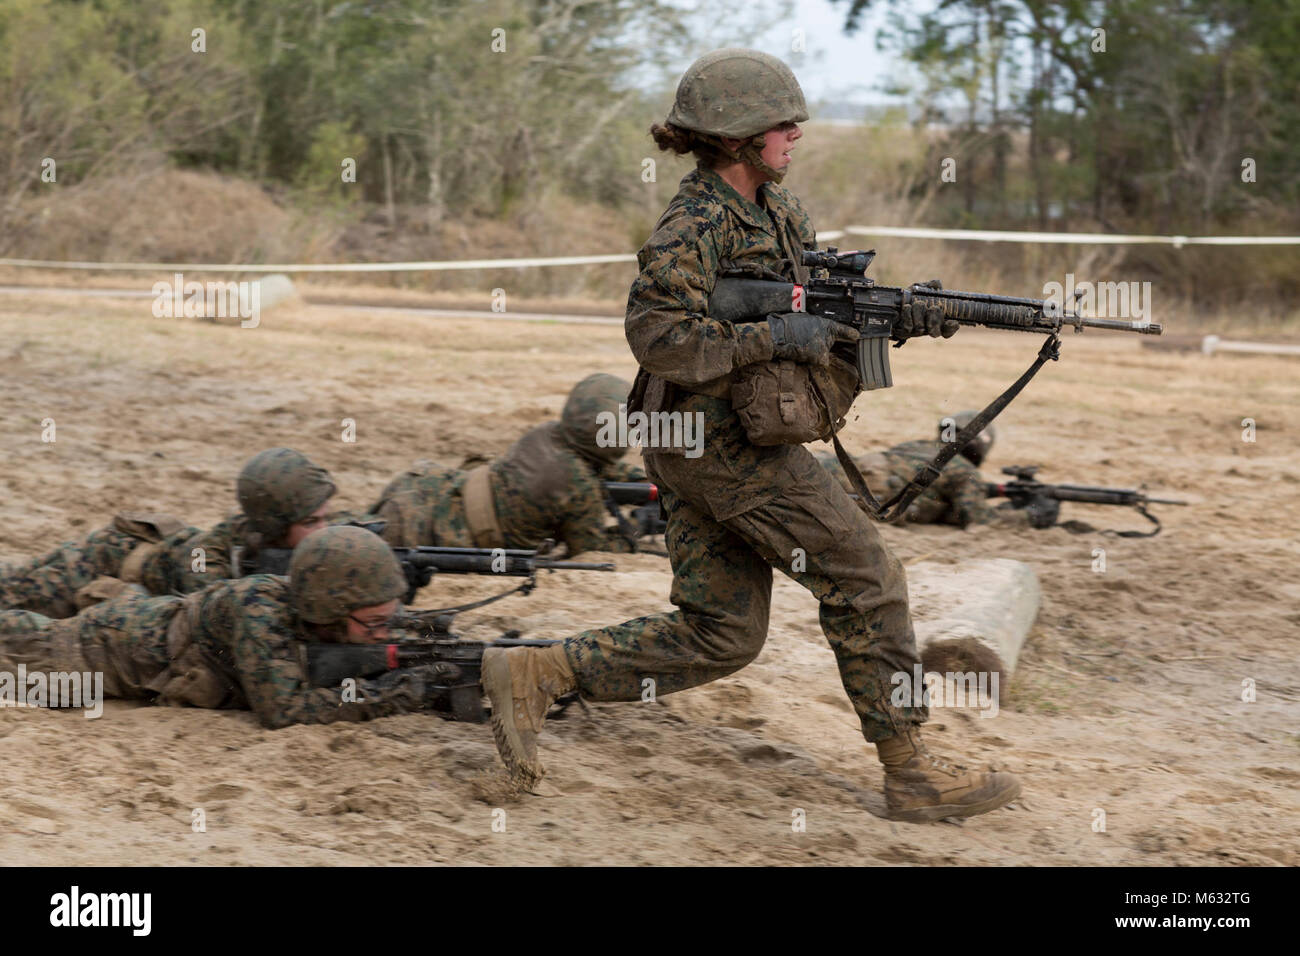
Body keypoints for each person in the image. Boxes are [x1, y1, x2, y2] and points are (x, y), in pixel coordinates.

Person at [479, 49, 1020, 822]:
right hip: (716, 443)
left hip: (713, 444)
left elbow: (815, 308)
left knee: (723, 631)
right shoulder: (693, 223)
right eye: (781, 123)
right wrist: (773, 339)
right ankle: (912, 774)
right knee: (868, 579)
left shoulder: (777, 211)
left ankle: (540, 673)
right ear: (738, 137)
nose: (796, 133)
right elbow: (658, 335)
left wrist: (897, 320)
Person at [0, 526, 452, 728]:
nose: (386, 632)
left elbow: (381, 646)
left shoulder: (326, 613)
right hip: (91, 652)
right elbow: (286, 712)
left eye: (391, 618)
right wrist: (398, 693)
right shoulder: (259, 609)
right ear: (329, 609)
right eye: (375, 623)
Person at [0, 448, 336, 618]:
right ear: (275, 525)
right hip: (102, 560)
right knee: (12, 594)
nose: (323, 532)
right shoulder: (209, 558)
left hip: (139, 549)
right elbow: (199, 618)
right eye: (311, 523)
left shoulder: (270, 540)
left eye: (323, 519)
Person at [371, 373, 647, 556]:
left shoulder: (548, 434)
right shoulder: (579, 487)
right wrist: (637, 530)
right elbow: (590, 551)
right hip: (427, 533)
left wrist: (645, 485)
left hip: (422, 489)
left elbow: (595, 464)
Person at [817, 411, 1003, 528]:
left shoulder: (915, 446)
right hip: (848, 492)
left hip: (834, 468)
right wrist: (1027, 515)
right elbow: (978, 518)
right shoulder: (964, 469)